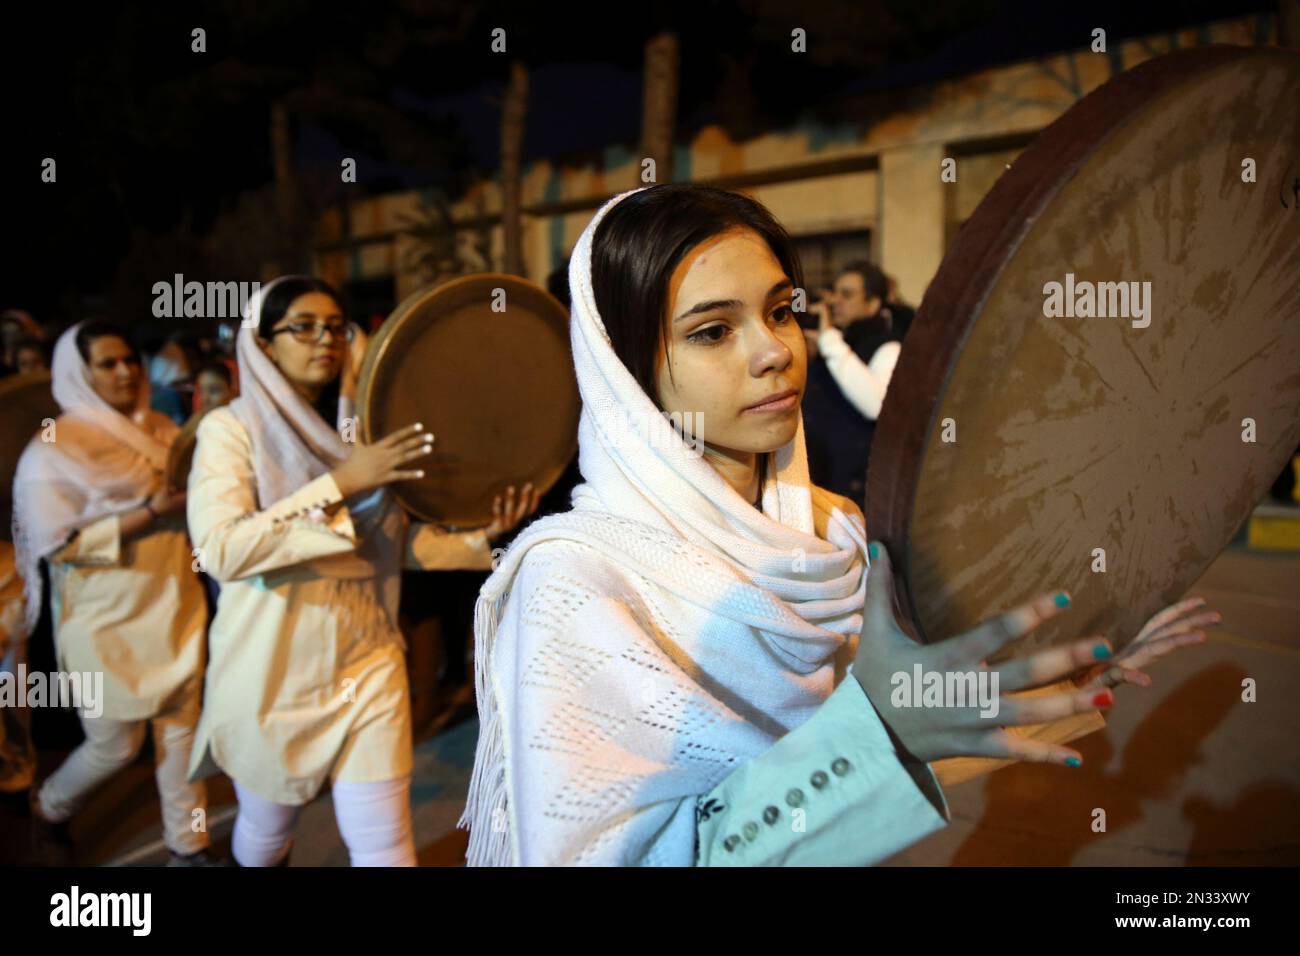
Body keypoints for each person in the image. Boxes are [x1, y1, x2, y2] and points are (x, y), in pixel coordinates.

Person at [459, 184, 1217, 866]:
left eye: (781, 311)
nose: (775, 352)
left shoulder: (840, 531)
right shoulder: (576, 579)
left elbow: (913, 722)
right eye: (712, 331)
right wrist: (870, 737)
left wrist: (1072, 659)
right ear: (623, 370)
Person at [186, 276, 538, 867]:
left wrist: (490, 538)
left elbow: (389, 544)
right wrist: (342, 483)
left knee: (386, 846)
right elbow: (221, 549)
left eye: (335, 326)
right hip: (271, 668)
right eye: (303, 326)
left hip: (367, 659)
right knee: (267, 835)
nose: (323, 339)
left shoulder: (366, 427)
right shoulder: (231, 429)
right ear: (264, 345)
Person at [12, 321, 212, 865]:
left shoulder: (165, 434)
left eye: (130, 360)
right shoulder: (52, 451)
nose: (125, 372)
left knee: (181, 738)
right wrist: (150, 514)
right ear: (79, 373)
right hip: (104, 624)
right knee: (114, 745)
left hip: (175, 606)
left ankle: (188, 846)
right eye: (107, 363)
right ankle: (50, 807)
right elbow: (60, 549)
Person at [800, 261, 905, 508]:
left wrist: (829, 340)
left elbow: (876, 405)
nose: (836, 301)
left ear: (872, 304)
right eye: (835, 293)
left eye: (847, 295)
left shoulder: (889, 347)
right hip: (822, 487)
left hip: (859, 496)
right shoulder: (837, 345)